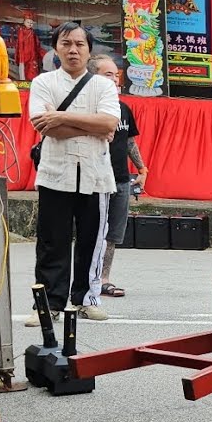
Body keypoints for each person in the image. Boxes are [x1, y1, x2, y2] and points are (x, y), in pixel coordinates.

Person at [25, 23, 118, 327]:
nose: (73, 49)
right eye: (66, 43)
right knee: (53, 241)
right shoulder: (43, 82)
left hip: (95, 174)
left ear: (89, 50)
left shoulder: (103, 85)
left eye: (80, 44)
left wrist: (61, 116)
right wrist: (90, 125)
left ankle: (86, 299)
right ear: (56, 48)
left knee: (92, 240)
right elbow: (43, 125)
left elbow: (109, 124)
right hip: (55, 174)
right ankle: (49, 304)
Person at [88, 54, 147, 299]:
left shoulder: (123, 108)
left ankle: (104, 279)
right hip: (94, 179)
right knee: (92, 231)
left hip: (120, 179)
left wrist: (142, 169)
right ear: (93, 78)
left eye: (116, 75)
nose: (114, 79)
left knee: (113, 233)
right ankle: (86, 278)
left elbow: (129, 141)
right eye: (107, 74)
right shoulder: (88, 107)